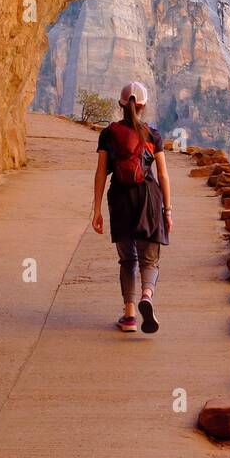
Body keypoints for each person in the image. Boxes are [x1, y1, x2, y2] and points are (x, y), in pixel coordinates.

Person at [91, 82, 172, 333]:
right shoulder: (153, 135)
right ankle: (147, 295)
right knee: (150, 259)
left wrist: (96, 210)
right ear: (143, 106)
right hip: (148, 198)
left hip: (120, 199)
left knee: (127, 260)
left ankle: (129, 316)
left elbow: (101, 173)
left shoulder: (108, 134)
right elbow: (163, 175)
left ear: (121, 104)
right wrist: (167, 210)